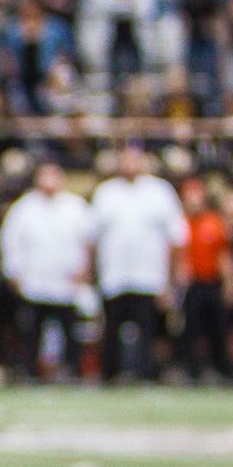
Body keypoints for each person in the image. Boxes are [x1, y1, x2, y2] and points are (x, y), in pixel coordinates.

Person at [89, 143, 187, 382]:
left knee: (148, 329)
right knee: (111, 328)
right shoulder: (106, 192)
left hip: (149, 276)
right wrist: (91, 273)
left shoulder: (160, 192)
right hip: (114, 275)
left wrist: (173, 277)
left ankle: (147, 374)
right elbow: (92, 237)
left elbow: (176, 236)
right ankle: (110, 375)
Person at [0, 158, 96, 380]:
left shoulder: (75, 206)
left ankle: (71, 370)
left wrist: (85, 269)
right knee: (32, 332)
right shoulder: (23, 208)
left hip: (67, 282)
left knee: (70, 331)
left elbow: (89, 241)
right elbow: (10, 242)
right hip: (34, 282)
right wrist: (14, 273)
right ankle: (30, 372)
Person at [178, 175, 233, 381]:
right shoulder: (179, 223)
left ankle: (222, 368)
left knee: (218, 328)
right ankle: (191, 370)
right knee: (190, 329)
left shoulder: (214, 222)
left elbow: (224, 255)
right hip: (191, 284)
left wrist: (230, 282)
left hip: (212, 282)